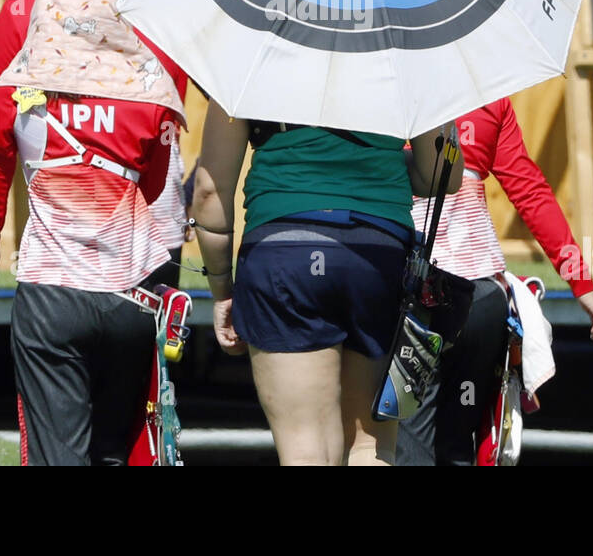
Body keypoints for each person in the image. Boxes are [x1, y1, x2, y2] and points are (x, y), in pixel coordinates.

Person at [0, 0, 184, 465]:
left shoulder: (18, 86)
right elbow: (153, 192)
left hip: (51, 299)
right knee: (115, 453)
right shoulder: (152, 88)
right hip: (133, 296)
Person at [193, 110, 461, 466]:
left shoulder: (247, 57)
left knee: (306, 449)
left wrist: (222, 287)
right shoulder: (409, 53)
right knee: (372, 446)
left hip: (284, 253)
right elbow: (442, 174)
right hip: (378, 254)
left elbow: (210, 192)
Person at [0, 0, 190, 284]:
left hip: (64, 255)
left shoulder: (22, 11)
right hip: (156, 235)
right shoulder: (160, 4)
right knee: (144, 353)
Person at [395, 96, 593, 466]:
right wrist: (582, 283)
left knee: (408, 445)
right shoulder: (487, 95)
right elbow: (530, 191)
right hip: (482, 299)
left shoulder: (385, 84)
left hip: (413, 298)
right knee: (459, 448)